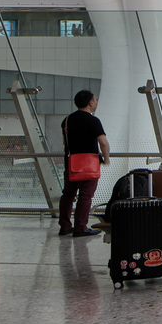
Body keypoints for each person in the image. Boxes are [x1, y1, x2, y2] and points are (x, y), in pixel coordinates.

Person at [59, 89, 109, 238]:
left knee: (68, 195)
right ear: (90, 103)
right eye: (95, 100)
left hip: (71, 163)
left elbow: (65, 142)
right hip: (89, 165)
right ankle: (80, 227)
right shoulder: (93, 120)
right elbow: (103, 143)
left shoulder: (67, 120)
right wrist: (106, 159)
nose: (96, 103)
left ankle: (65, 226)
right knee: (85, 196)